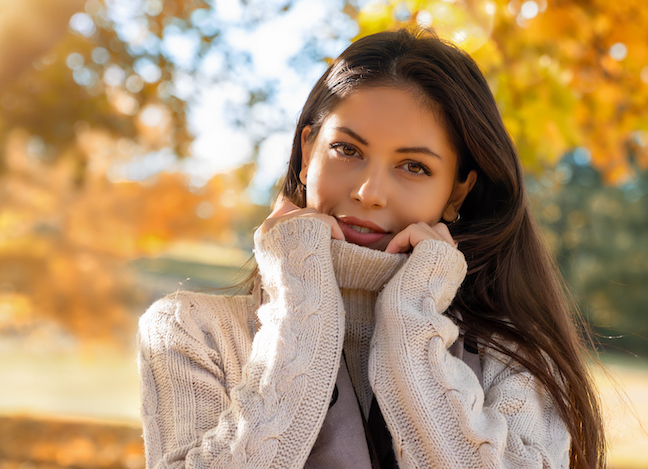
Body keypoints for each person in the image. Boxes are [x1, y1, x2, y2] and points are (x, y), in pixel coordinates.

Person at [137, 28, 605, 469]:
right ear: (306, 153)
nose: (369, 191)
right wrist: (302, 304)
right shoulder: (190, 332)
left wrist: (413, 321)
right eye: (347, 150)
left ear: (457, 193)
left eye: (414, 167)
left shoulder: (516, 357)